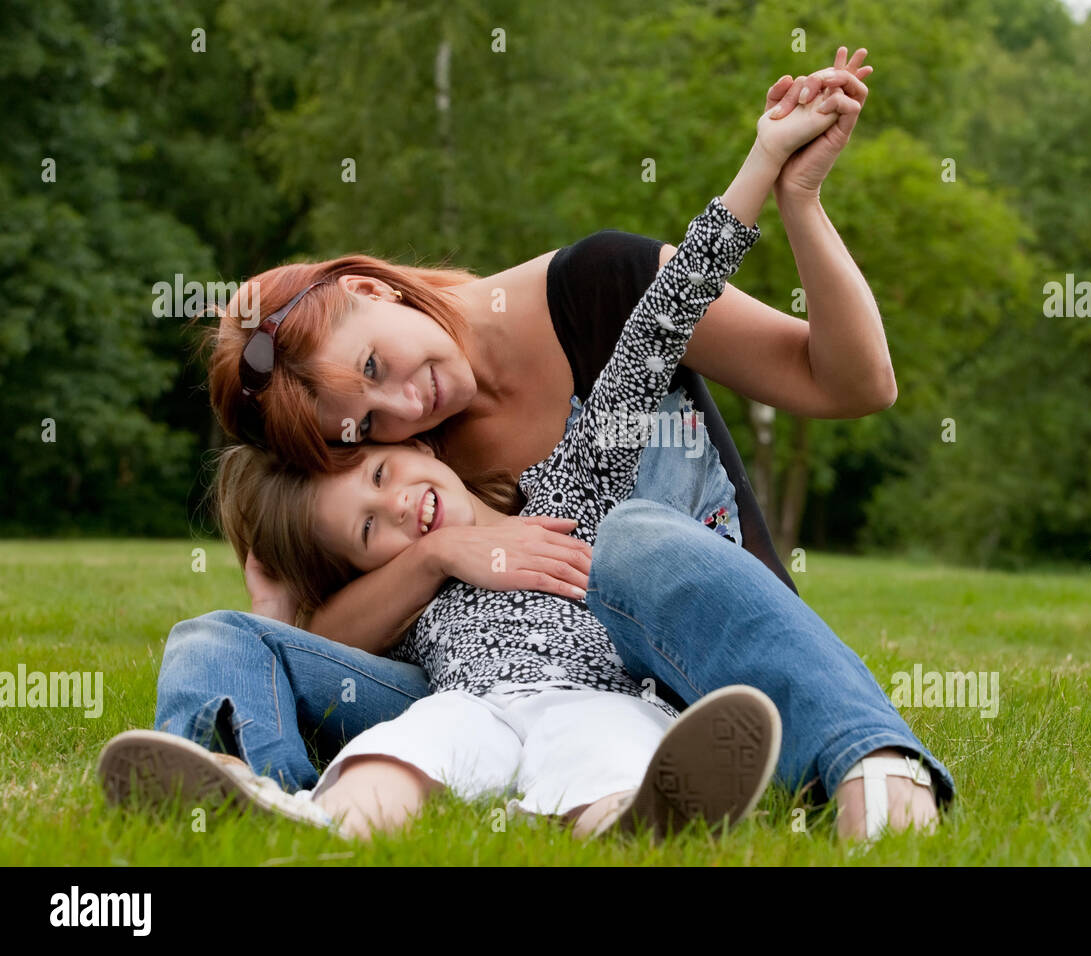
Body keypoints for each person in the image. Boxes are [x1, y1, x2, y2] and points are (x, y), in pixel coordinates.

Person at [112, 47, 954, 842]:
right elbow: (323, 641)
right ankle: (262, 791)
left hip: (651, 669)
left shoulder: (574, 472)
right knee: (243, 656)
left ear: (368, 287)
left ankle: (833, 771)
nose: (403, 407)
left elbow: (675, 325)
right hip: (457, 701)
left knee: (611, 693)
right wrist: (433, 557)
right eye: (365, 429)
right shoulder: (413, 511)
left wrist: (773, 176)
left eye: (375, 364)